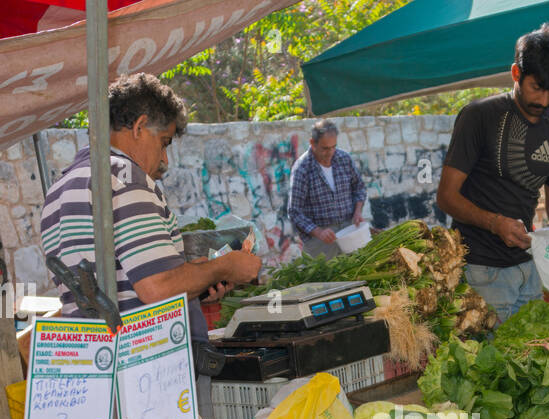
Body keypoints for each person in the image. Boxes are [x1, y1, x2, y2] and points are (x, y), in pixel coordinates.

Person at [40, 73, 260, 363]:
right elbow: (157, 287)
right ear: (140, 127)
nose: (164, 160)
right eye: (164, 142)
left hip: (91, 360)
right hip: (143, 364)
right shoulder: (126, 178)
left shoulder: (60, 187)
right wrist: (227, 265)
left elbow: (129, 281)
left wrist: (198, 277)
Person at [437, 22, 549, 325]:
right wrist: (495, 223)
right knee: (492, 366)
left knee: (529, 360)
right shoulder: (478, 116)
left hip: (528, 269)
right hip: (479, 270)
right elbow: (446, 196)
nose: (543, 101)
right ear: (516, 73)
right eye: (536, 87)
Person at [287, 120, 368, 258]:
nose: (330, 152)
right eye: (325, 148)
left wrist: (358, 211)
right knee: (327, 278)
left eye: (333, 147)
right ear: (313, 143)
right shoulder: (302, 168)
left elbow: (359, 188)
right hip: (319, 241)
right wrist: (318, 232)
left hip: (349, 232)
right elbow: (294, 211)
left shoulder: (344, 159)